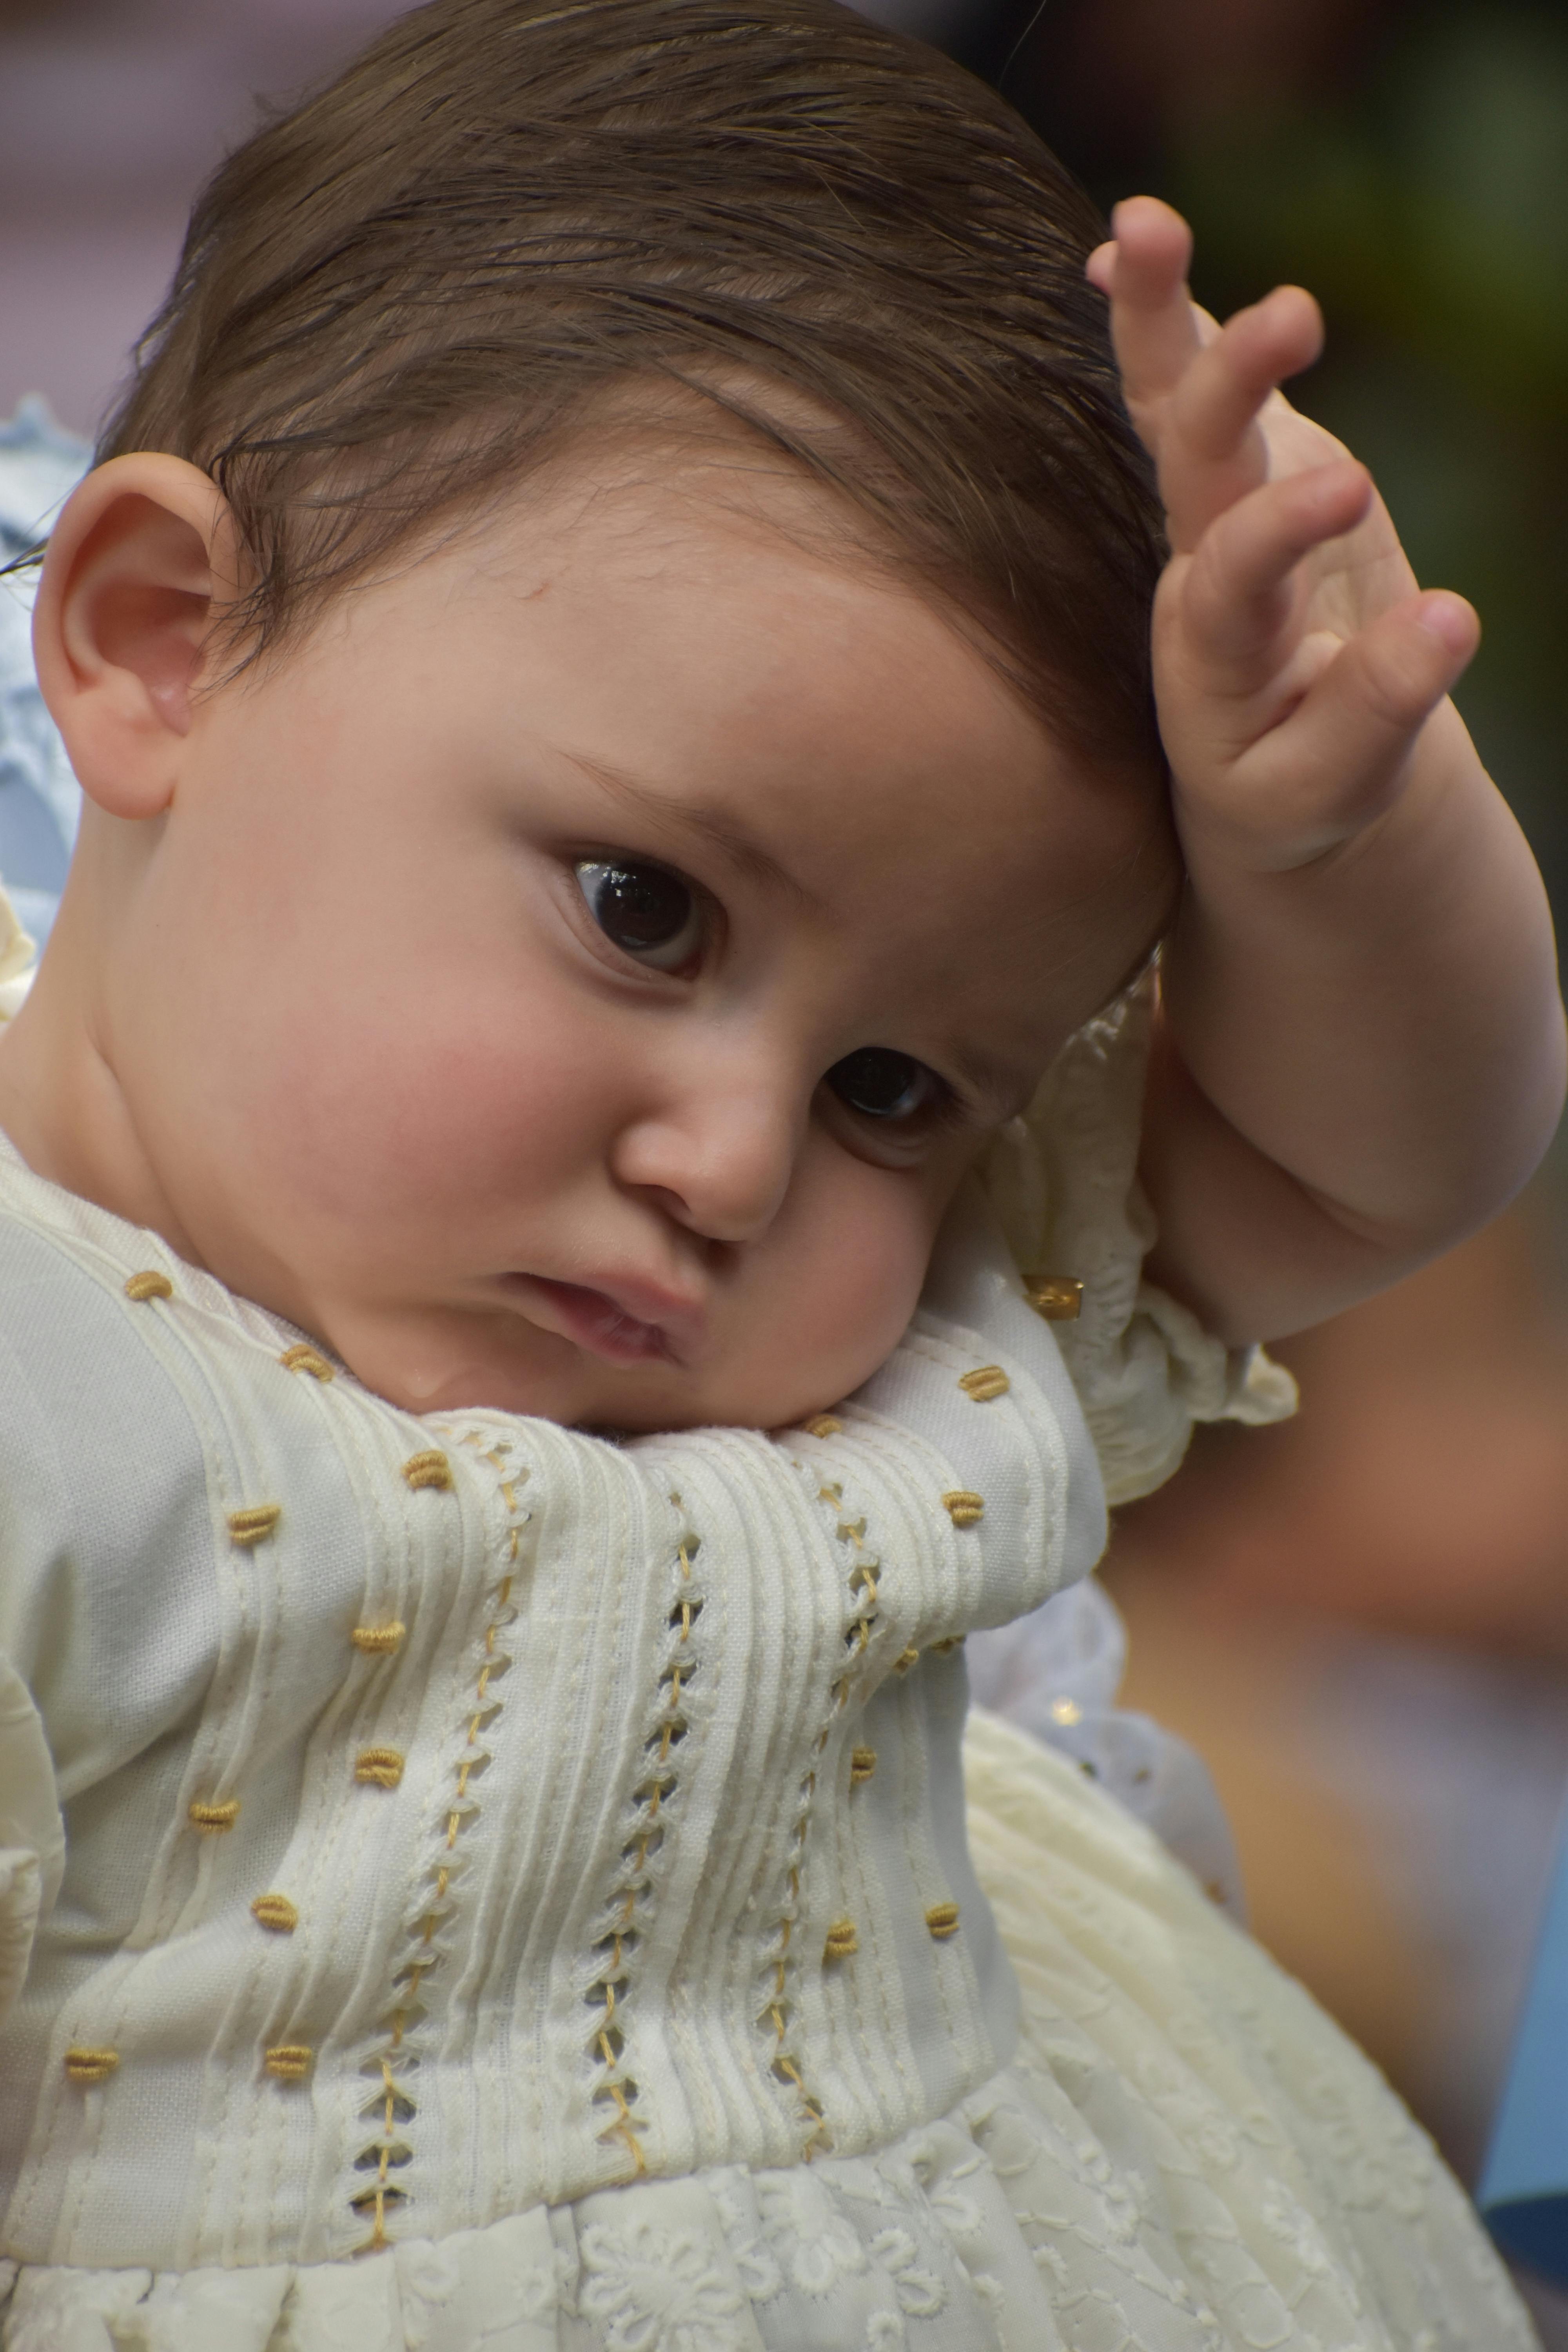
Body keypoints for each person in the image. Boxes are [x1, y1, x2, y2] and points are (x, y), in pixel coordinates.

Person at [0, 0, 1560, 2341]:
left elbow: (1383, 1168)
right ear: (163, 647)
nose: (741, 1161)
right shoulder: (41, 1386)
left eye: (899, 1089)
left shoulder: (894, 1338)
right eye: (646, 911)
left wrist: (1349, 824)